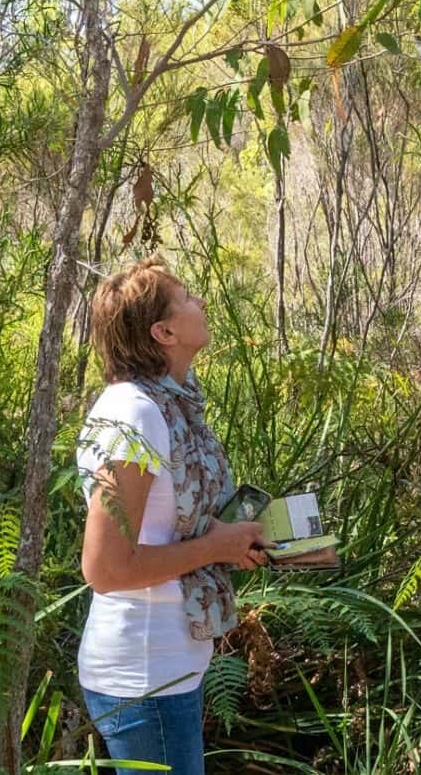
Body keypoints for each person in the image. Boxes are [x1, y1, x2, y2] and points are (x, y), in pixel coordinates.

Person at [75, 258, 268, 775]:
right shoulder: (132, 413)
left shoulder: (171, 406)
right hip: (143, 676)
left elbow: (169, 526)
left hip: (168, 668)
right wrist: (216, 548)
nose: (201, 303)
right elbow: (106, 568)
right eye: (187, 298)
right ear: (163, 331)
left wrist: (236, 539)